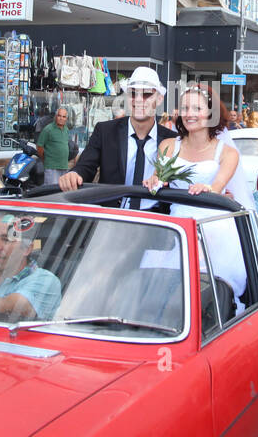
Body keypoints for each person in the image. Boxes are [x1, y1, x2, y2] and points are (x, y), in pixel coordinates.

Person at [145, 84, 247, 300]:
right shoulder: (168, 145)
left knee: (202, 291)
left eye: (196, 108)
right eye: (184, 108)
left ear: (211, 113)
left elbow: (218, 186)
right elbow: (159, 180)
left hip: (212, 228)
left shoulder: (227, 153)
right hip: (176, 225)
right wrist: (154, 181)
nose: (189, 114)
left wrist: (209, 189)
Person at [59, 67, 175, 203]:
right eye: (133, 93)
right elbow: (86, 166)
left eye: (146, 94)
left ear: (159, 99)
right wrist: (74, 174)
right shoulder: (105, 131)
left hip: (156, 217)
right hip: (112, 216)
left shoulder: (172, 139)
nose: (138, 100)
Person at [35, 106, 71, 185]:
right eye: (59, 116)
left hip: (64, 167)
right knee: (51, 193)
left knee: (62, 192)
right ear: (56, 116)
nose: (61, 118)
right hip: (51, 167)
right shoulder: (48, 129)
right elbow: (39, 147)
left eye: (64, 116)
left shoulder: (66, 130)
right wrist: (45, 159)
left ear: (66, 119)